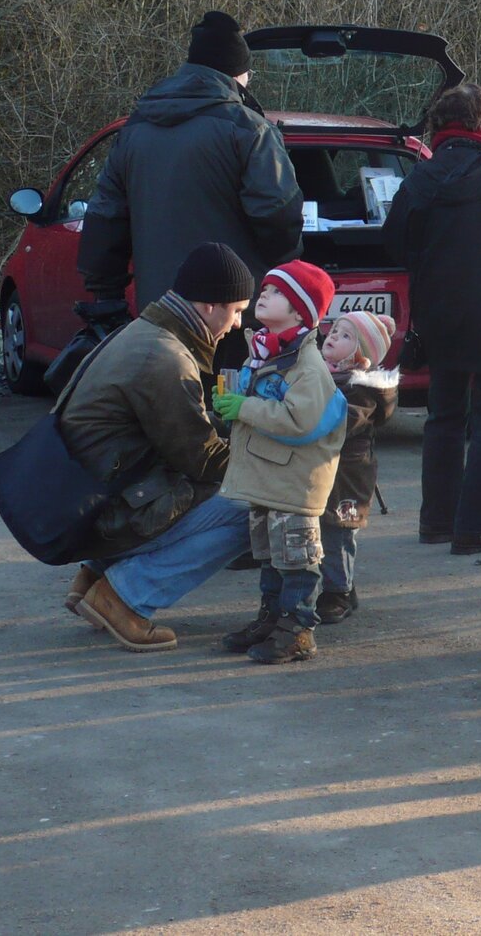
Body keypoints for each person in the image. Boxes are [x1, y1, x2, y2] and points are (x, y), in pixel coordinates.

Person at [58, 243, 256, 652]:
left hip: (87, 502)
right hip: (107, 514)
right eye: (236, 311)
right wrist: (267, 450)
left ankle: (95, 578)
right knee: (256, 505)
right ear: (208, 306)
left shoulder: (145, 331)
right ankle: (127, 597)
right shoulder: (165, 358)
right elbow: (202, 461)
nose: (238, 324)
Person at [384, 83, 481, 553]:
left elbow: (394, 242)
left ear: (437, 125)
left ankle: (435, 521)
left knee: (444, 417)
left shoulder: (421, 178)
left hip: (441, 313)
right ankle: (475, 528)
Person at [78, 11, 302, 317]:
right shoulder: (250, 130)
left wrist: (106, 294)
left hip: (159, 309)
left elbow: (105, 217)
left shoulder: (135, 130)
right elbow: (277, 214)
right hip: (233, 310)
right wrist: (289, 269)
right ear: (238, 73)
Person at [212, 261, 349, 665]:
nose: (263, 295)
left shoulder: (307, 365)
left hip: (294, 482)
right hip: (269, 478)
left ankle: (298, 630)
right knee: (272, 556)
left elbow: (298, 419)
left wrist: (246, 407)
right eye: (266, 288)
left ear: (300, 311)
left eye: (276, 292)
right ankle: (271, 619)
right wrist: (233, 406)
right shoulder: (266, 352)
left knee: (298, 559)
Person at [315, 310, 399, 625]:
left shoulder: (361, 389)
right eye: (335, 330)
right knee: (321, 530)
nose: (334, 336)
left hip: (350, 477)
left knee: (341, 530)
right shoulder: (324, 374)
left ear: (362, 358)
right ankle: (337, 587)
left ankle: (339, 591)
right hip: (326, 469)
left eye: (346, 336)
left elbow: (345, 421)